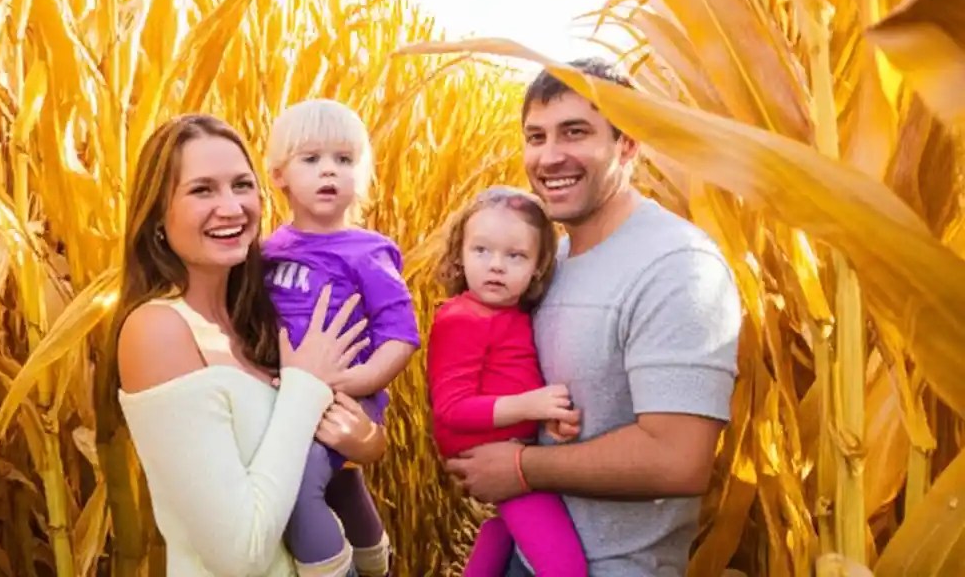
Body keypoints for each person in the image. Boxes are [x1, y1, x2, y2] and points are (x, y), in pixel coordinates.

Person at [444, 58, 742, 576]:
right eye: (535, 136)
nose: (550, 156)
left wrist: (519, 468)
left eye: (575, 132)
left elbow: (678, 459)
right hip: (526, 553)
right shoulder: (542, 265)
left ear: (628, 143)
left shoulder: (676, 266)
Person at [115, 114, 390, 576]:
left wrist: (365, 442)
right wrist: (304, 385)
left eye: (242, 185)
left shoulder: (263, 314)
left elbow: (330, 447)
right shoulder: (157, 331)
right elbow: (240, 556)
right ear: (158, 213)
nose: (231, 207)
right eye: (202, 190)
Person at [262, 99, 420, 577]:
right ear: (278, 175)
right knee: (342, 487)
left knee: (301, 479)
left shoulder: (367, 252)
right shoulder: (269, 249)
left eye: (344, 160)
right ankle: (378, 567)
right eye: (311, 159)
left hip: (348, 396)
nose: (329, 171)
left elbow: (401, 335)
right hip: (291, 393)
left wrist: (355, 382)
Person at [426, 186, 587, 577]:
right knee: (566, 570)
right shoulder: (461, 318)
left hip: (507, 436)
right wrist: (531, 406)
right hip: (485, 446)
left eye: (515, 256)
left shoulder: (511, 314)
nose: (496, 265)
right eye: (481, 251)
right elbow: (451, 408)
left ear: (538, 266)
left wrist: (545, 420)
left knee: (504, 531)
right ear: (460, 257)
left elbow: (509, 378)